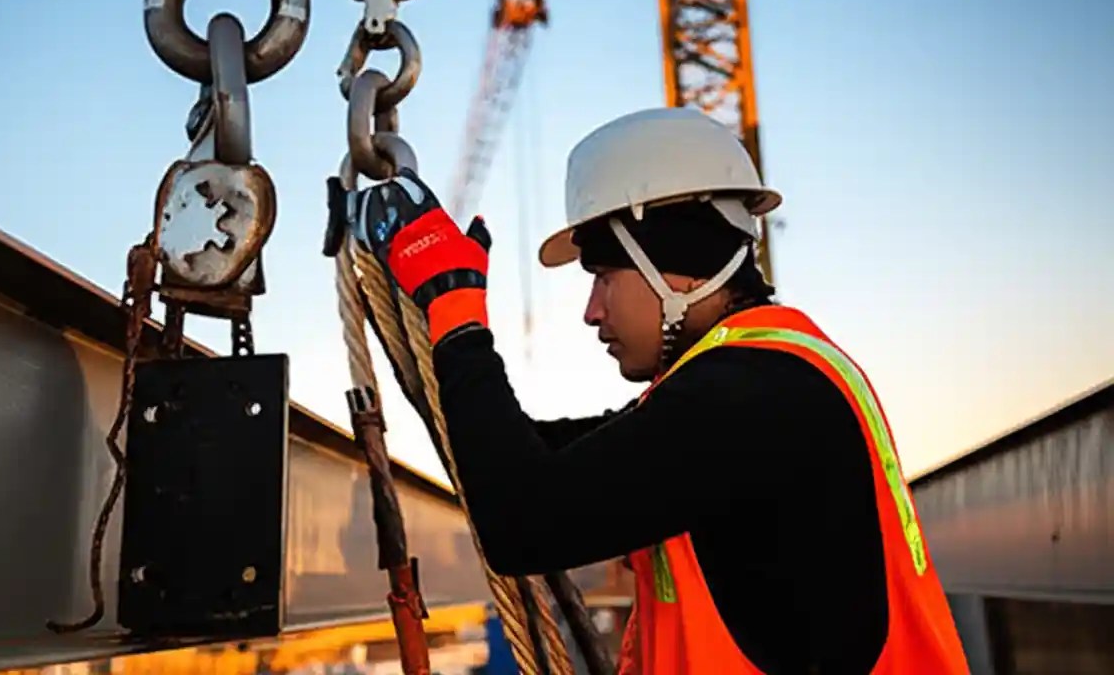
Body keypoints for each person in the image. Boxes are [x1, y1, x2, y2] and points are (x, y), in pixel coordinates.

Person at [349, 107, 969, 673]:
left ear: (669, 265)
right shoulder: (769, 376)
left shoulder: (749, 397)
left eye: (604, 277)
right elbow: (542, 459)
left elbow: (523, 522)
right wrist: (443, 333)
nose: (592, 312)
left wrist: (457, 313)